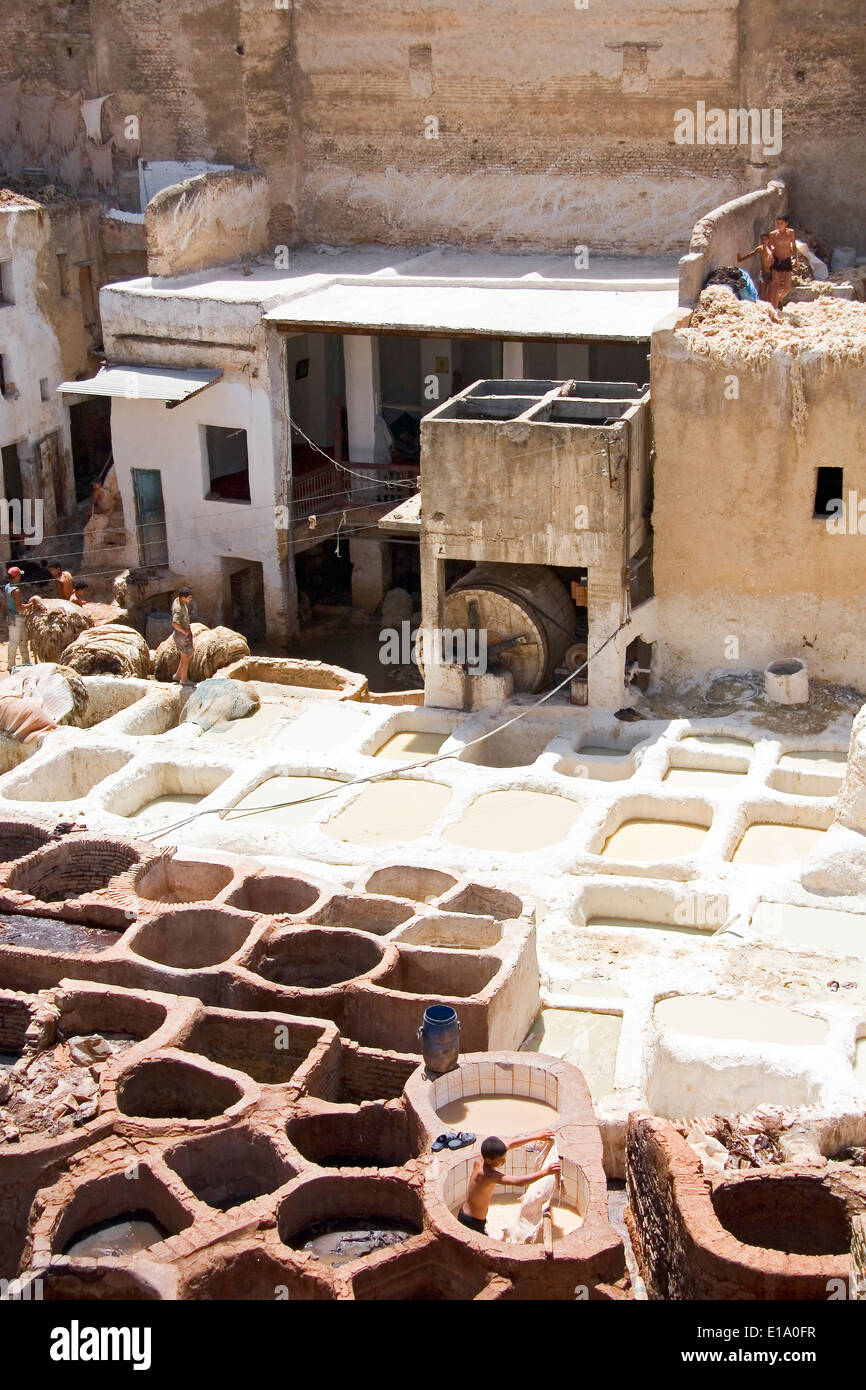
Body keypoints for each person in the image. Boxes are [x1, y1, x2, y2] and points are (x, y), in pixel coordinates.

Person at [457, 1131, 560, 1235]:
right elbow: (519, 1182)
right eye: (501, 1160)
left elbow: (511, 1143)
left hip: (470, 1215)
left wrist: (536, 1136)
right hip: (472, 1222)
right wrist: (545, 1172)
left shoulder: (481, 1158)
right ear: (488, 1160)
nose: (504, 1161)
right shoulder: (487, 1175)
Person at [4, 566, 34, 669]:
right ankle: (12, 664)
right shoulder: (16, 590)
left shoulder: (7, 586)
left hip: (11, 617)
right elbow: (20, 608)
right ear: (16, 576)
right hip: (18, 618)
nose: (20, 577)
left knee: (19, 641)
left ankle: (23, 663)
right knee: (17, 641)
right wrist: (31, 604)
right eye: (19, 575)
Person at [767, 214, 797, 308]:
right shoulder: (773, 234)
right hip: (777, 260)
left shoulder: (791, 233)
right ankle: (775, 307)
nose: (779, 225)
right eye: (778, 223)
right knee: (776, 285)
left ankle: (780, 298)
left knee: (788, 287)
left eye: (781, 223)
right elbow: (770, 246)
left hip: (787, 259)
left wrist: (796, 259)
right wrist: (770, 252)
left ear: (786, 224)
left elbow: (794, 246)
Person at [738, 233, 775, 303]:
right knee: (762, 291)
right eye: (762, 239)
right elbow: (751, 254)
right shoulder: (760, 249)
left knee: (770, 292)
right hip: (763, 273)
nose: (763, 241)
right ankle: (762, 305)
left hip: (771, 273)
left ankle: (772, 305)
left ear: (768, 240)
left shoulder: (771, 249)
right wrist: (741, 259)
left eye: (765, 239)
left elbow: (773, 259)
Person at [171, 586, 195, 684]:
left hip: (182, 633)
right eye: (189, 597)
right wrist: (184, 632)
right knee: (185, 656)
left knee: (188, 653)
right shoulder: (178, 609)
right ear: (183, 598)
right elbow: (175, 623)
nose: (190, 599)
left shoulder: (178, 600)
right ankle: (184, 680)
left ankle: (178, 675)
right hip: (181, 635)